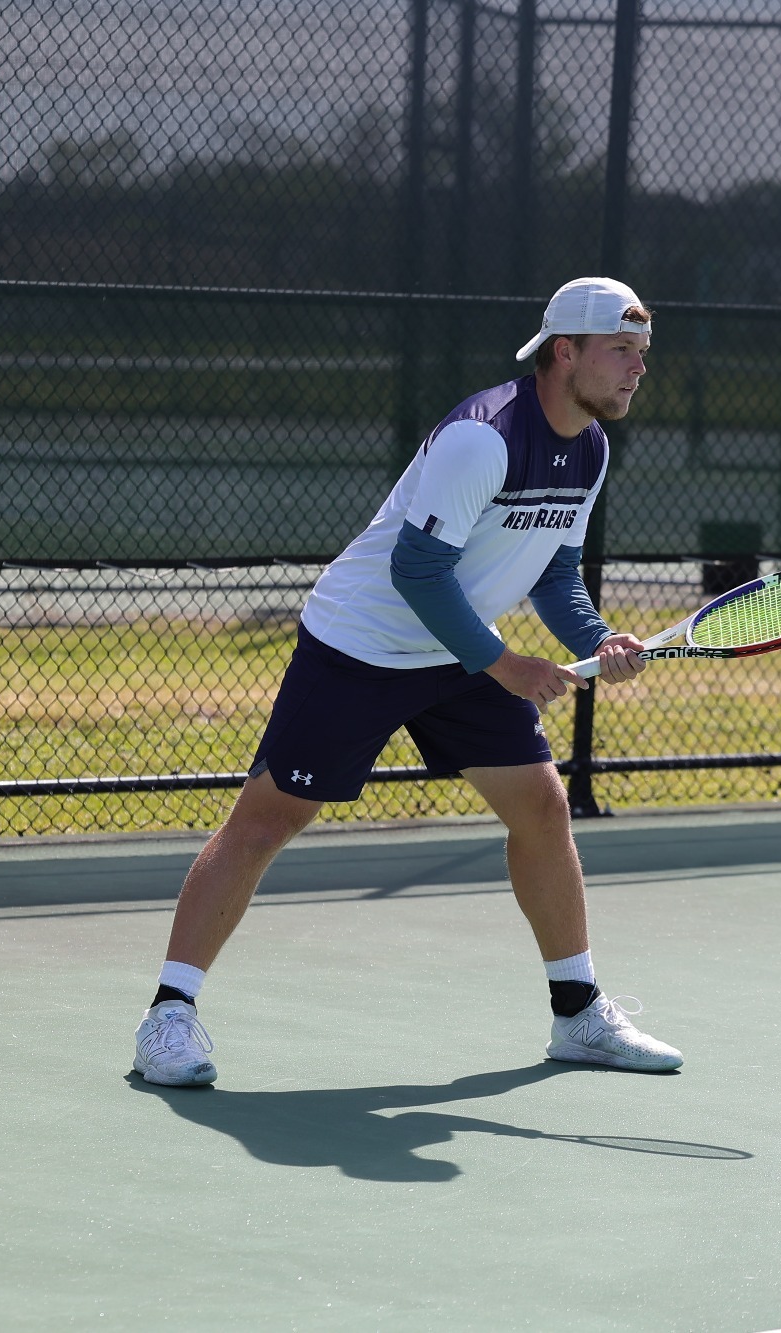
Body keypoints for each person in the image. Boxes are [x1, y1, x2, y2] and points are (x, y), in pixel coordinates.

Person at [133, 276, 682, 1086]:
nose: (639, 369)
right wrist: (506, 664)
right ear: (566, 351)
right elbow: (419, 570)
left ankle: (578, 1014)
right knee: (269, 818)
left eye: (643, 354)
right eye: (622, 351)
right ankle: (167, 1018)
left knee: (541, 803)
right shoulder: (483, 438)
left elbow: (554, 569)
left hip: (459, 651)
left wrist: (599, 639)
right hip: (363, 642)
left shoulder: (591, 449)